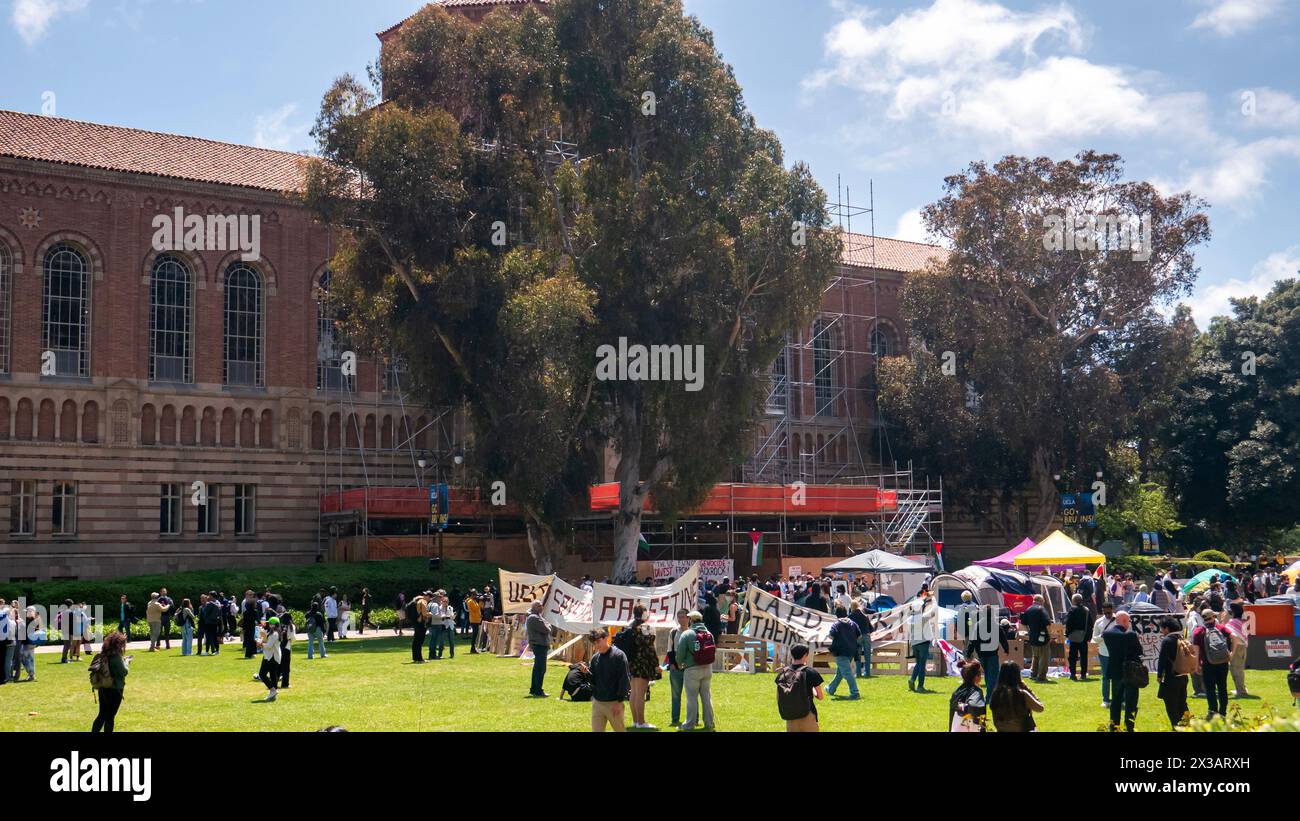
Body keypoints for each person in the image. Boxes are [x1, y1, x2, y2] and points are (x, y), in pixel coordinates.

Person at [1102, 610, 1143, 732]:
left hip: (1115, 671)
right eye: (1129, 621)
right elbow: (1139, 651)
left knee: (1115, 701)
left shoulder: (1107, 633)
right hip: (1130, 671)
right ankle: (1129, 727)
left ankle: (1113, 726)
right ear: (1125, 621)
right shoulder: (1130, 635)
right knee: (1131, 702)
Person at [675, 610, 716, 731]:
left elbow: (680, 653)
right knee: (706, 696)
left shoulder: (687, 634)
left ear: (691, 620)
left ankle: (689, 724)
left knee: (691, 698)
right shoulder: (709, 633)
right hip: (707, 668)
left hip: (692, 669)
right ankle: (709, 723)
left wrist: (679, 664)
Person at [624, 605, 662, 729]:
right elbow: (650, 649)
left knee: (634, 693)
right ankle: (641, 722)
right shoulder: (646, 628)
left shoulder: (630, 626)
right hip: (642, 664)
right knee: (640, 694)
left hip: (631, 664)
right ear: (644, 614)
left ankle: (636, 721)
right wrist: (656, 664)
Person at [585, 628, 630, 732]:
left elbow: (624, 679)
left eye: (598, 642)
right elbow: (593, 681)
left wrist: (619, 702)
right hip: (598, 703)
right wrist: (586, 673)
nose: (596, 646)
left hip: (614, 703)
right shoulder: (595, 658)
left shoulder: (619, 655)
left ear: (606, 638)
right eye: (594, 643)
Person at [1192, 608, 1232, 720]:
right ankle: (1223, 713)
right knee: (1222, 687)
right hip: (1223, 663)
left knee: (1210, 689)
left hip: (1208, 664)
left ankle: (1213, 712)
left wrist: (1197, 665)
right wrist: (1231, 654)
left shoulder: (1198, 631)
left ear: (1203, 618)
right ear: (1213, 617)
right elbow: (1234, 638)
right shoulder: (1221, 628)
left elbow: (1196, 650)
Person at [776, 644, 825, 732]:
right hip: (808, 715)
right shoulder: (811, 672)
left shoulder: (783, 673)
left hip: (790, 716)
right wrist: (813, 690)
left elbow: (778, 696)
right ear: (805, 655)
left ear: (792, 655)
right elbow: (820, 697)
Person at [90, 631, 131, 732]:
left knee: (101, 715)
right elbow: (124, 672)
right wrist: (126, 662)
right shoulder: (116, 656)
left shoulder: (104, 653)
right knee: (110, 717)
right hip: (115, 689)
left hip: (103, 688)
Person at [1156, 616, 1190, 730]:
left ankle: (1175, 727)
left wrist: (1159, 675)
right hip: (1183, 676)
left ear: (1166, 628)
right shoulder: (1181, 638)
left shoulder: (1167, 640)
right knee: (1182, 703)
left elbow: (1162, 659)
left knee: (1171, 705)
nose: (1161, 631)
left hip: (1171, 677)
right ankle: (1187, 725)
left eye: (1162, 628)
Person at [988, 661, 1043, 732]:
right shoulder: (1022, 694)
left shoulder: (996, 694)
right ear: (1017, 676)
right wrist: (1026, 688)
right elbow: (1040, 708)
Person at [825, 607, 861, 699]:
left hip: (840, 651)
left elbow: (831, 636)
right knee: (840, 673)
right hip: (852, 650)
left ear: (836, 615)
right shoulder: (853, 623)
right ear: (846, 613)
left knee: (847, 673)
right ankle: (830, 689)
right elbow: (859, 635)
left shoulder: (836, 624)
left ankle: (855, 692)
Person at [525, 600, 556, 697]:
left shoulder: (537, 616)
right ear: (534, 607)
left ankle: (534, 689)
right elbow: (547, 629)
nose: (541, 607)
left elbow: (547, 626)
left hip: (540, 645)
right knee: (540, 669)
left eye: (541, 605)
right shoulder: (534, 617)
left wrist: (547, 625)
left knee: (537, 668)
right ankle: (538, 690)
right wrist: (548, 625)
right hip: (539, 645)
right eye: (539, 606)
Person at [666, 608, 691, 727]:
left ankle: (693, 719)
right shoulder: (673, 632)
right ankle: (675, 719)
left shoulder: (692, 632)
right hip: (675, 669)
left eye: (683, 616)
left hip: (689, 669)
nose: (681, 619)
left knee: (691, 695)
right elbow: (669, 650)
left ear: (688, 618)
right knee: (675, 696)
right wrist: (672, 665)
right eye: (679, 617)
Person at [948, 659, 987, 732]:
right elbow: (975, 706)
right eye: (980, 675)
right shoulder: (976, 692)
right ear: (976, 677)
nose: (981, 677)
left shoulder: (957, 692)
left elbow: (952, 714)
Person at [907, 596, 935, 692]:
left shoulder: (910, 619)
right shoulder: (923, 617)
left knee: (918, 663)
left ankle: (912, 679)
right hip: (923, 643)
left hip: (914, 643)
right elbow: (933, 612)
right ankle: (920, 686)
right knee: (922, 665)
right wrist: (934, 600)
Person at [1021, 594, 1051, 683]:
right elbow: (1047, 623)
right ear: (1041, 601)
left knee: (1035, 656)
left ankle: (1033, 674)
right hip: (1042, 636)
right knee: (1044, 657)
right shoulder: (1041, 609)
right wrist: (1049, 634)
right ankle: (1041, 677)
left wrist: (1029, 631)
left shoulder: (1028, 609)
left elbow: (1023, 623)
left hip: (1032, 636)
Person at [1092, 602, 1117, 707]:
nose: (1107, 614)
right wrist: (1102, 636)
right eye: (1105, 612)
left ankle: (1118, 699)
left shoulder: (1118, 620)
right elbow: (1094, 638)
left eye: (1109, 612)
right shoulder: (1099, 622)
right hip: (1104, 652)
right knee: (1106, 677)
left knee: (1117, 677)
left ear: (1112, 609)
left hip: (1116, 652)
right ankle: (1105, 700)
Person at [1224, 602, 1250, 698]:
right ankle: (1241, 689)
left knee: (1236, 669)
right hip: (1242, 647)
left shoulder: (1232, 622)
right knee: (1238, 669)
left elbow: (1226, 631)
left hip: (1237, 647)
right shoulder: (1240, 621)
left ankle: (1242, 692)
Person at [1065, 593, 1091, 681]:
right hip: (1084, 636)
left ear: (1074, 601)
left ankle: (1073, 674)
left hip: (1073, 636)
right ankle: (1083, 674)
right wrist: (1088, 636)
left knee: (1072, 656)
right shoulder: (1086, 610)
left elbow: (1068, 623)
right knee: (1084, 656)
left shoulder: (1072, 609)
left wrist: (1067, 634)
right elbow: (1090, 624)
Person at [257, 617, 282, 702]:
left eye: (271, 624)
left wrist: (261, 644)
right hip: (270, 656)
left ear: (275, 624)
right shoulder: (272, 632)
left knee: (262, 674)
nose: (269, 625)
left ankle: (273, 690)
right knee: (272, 675)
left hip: (271, 657)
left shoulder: (274, 633)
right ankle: (273, 694)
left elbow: (269, 645)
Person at [849, 601, 874, 677]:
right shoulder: (864, 615)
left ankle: (858, 673)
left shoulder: (850, 616)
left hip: (857, 637)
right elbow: (871, 628)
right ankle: (867, 673)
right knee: (867, 655)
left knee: (858, 656)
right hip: (866, 635)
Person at [277, 607, 294, 689]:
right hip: (287, 647)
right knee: (286, 667)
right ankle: (285, 684)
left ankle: (274, 682)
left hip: (280, 646)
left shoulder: (280, 625)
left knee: (279, 665)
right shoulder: (291, 626)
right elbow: (293, 638)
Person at [410, 592, 429, 663]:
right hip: (421, 623)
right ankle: (420, 659)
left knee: (416, 641)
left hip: (415, 623)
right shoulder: (422, 601)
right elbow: (424, 613)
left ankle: (415, 658)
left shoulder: (414, 602)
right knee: (419, 641)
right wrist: (429, 614)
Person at [240, 590, 260, 659]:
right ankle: (252, 653)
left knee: (247, 640)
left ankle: (248, 654)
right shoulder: (255, 611)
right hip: (252, 627)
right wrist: (261, 624)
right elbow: (258, 620)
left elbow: (244, 620)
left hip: (246, 627)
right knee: (252, 640)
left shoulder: (245, 612)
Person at [436, 594, 457, 659]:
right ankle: (440, 655)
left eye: (446, 601)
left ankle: (452, 654)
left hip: (450, 625)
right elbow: (439, 616)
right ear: (441, 601)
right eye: (444, 601)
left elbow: (452, 616)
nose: (445, 603)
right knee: (441, 641)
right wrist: (444, 616)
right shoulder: (439, 608)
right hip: (443, 625)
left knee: (451, 641)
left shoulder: (450, 608)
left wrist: (453, 616)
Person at [465, 589, 482, 653]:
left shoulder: (474, 601)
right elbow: (475, 609)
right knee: (474, 635)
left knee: (475, 634)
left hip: (476, 619)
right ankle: (472, 648)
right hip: (473, 619)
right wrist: (479, 602)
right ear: (472, 595)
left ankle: (473, 648)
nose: (476, 596)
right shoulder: (470, 601)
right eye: (475, 595)